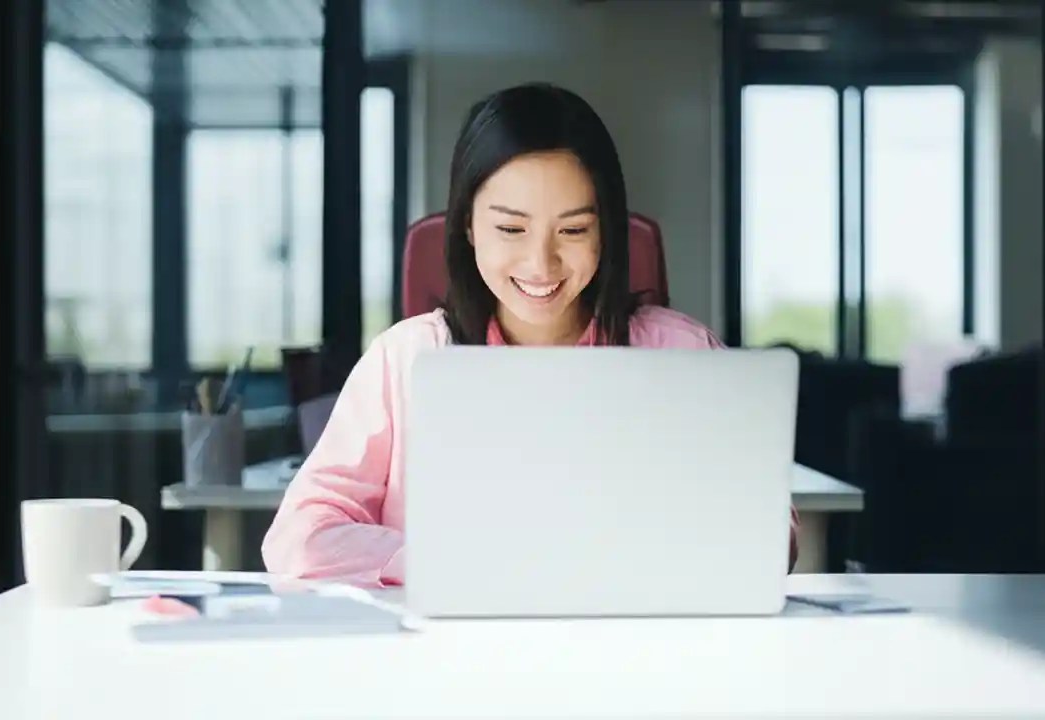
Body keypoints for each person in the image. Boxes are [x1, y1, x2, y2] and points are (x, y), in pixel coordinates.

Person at [263, 82, 798, 586]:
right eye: (511, 229)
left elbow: (771, 533)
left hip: (629, 648)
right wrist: (443, 564)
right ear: (468, 226)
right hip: (446, 655)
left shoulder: (684, 355)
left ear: (606, 231)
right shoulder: (405, 360)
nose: (540, 263)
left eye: (572, 230)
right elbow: (300, 536)